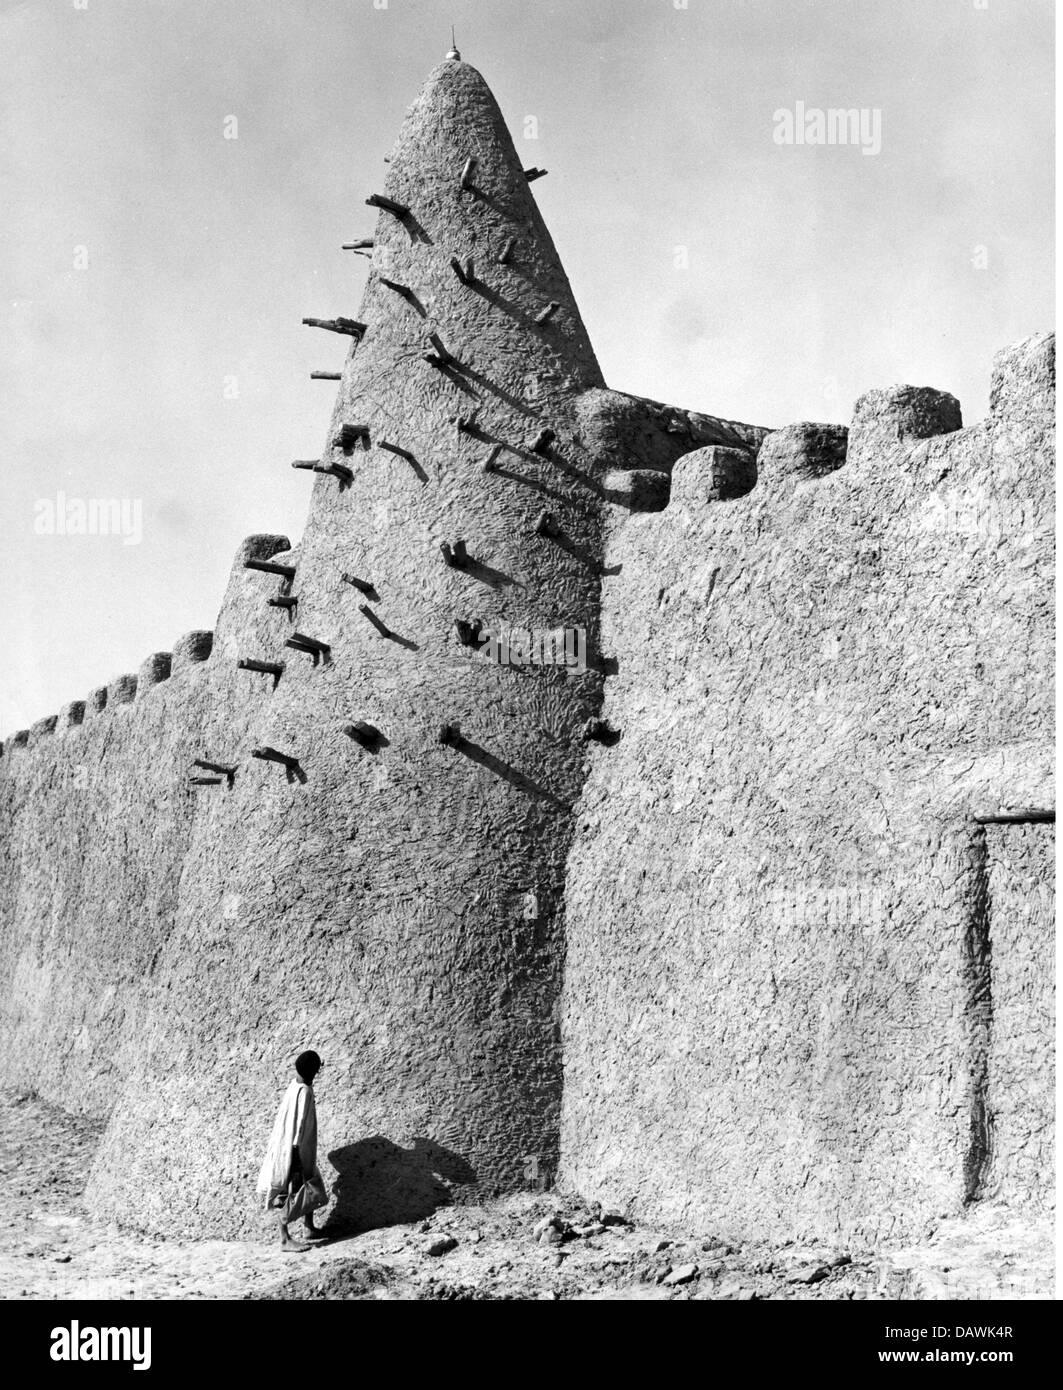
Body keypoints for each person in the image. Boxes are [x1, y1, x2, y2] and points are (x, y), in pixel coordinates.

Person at [256, 1050, 329, 1250]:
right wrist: (296, 1153)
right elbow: (299, 1125)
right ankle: (284, 1239)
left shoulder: (294, 1084)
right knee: (292, 1192)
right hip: (296, 1150)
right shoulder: (305, 1090)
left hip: (296, 1148)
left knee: (309, 1183)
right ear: (313, 1072)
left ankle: (309, 1227)